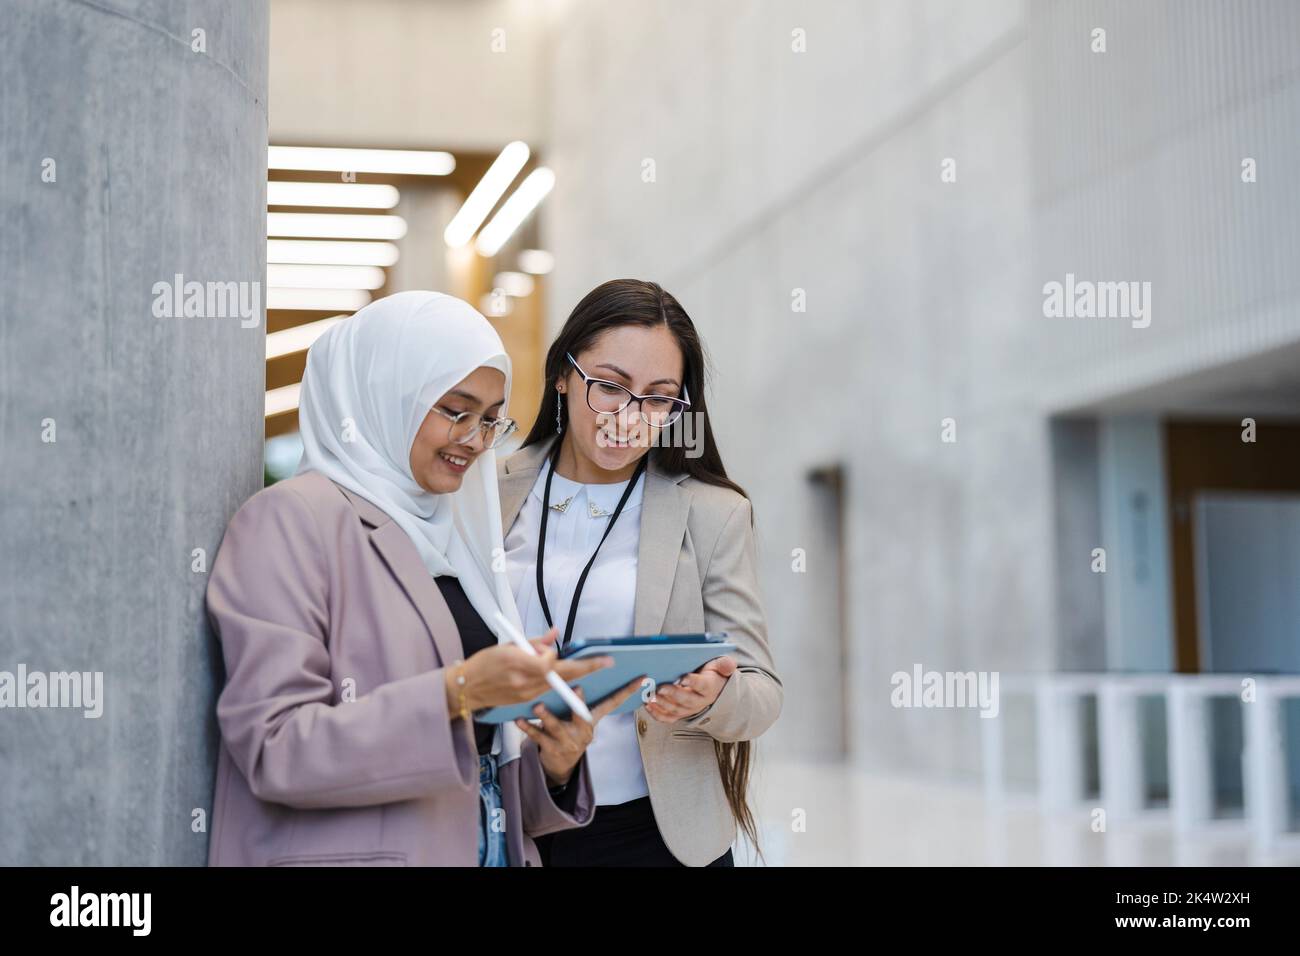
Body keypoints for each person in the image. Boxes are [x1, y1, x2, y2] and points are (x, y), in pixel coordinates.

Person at [206, 290, 638, 866]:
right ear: (387, 396)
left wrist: (554, 764)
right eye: (455, 410)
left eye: (490, 419)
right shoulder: (292, 520)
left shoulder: (456, 537)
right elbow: (275, 747)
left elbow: (482, 775)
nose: (476, 439)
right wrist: (458, 692)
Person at [500, 279, 782, 866]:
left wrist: (711, 697)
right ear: (562, 373)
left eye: (658, 398)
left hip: (653, 836)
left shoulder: (712, 512)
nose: (629, 417)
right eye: (609, 386)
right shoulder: (487, 491)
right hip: (511, 818)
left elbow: (761, 693)